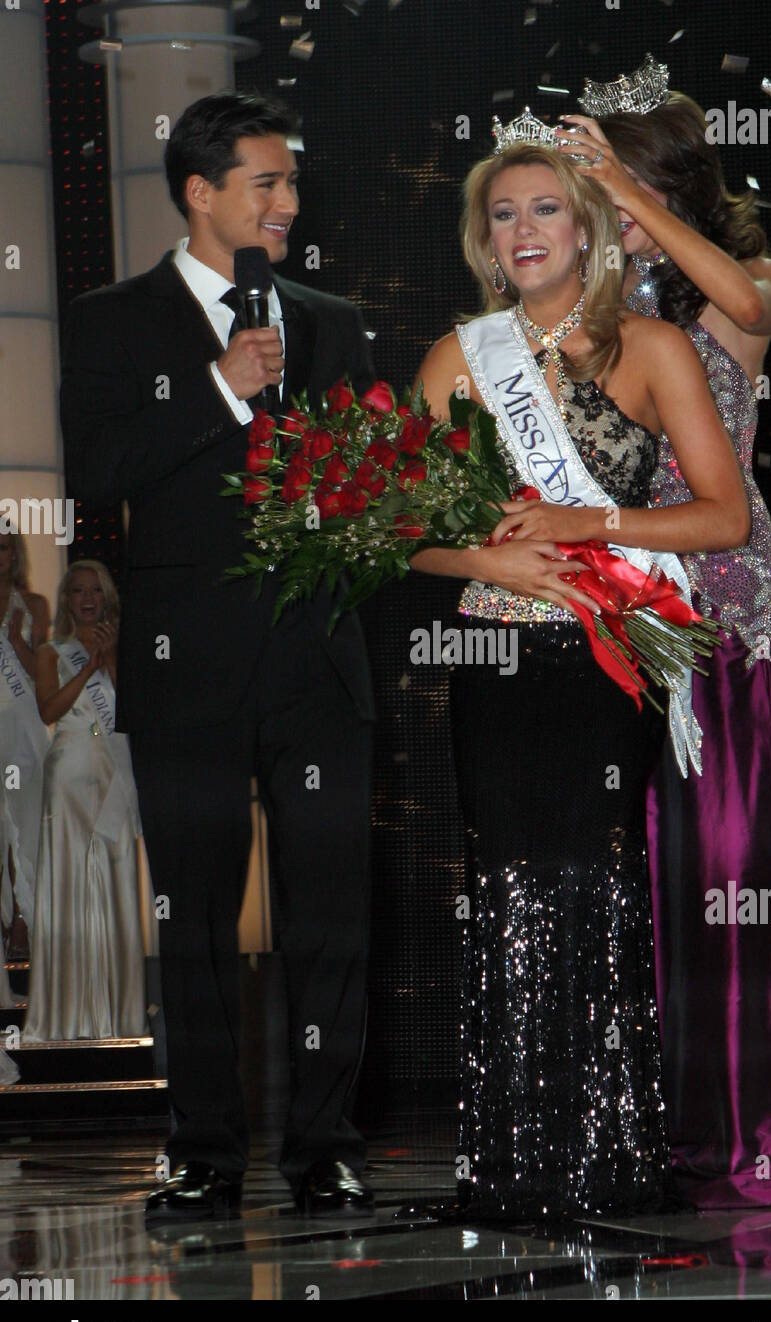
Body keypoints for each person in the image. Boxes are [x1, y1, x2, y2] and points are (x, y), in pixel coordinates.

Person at [544, 57, 771, 1204]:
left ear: (667, 188)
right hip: (623, 619)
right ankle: (647, 1123)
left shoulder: (742, 283)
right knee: (642, 875)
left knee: (739, 871)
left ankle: (766, 1122)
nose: (599, 203)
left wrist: (632, 210)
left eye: (620, 183)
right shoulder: (590, 312)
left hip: (728, 616)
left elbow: (745, 309)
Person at [410, 113, 750, 1218]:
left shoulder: (650, 350)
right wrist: (502, 554)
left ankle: (603, 1149)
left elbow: (721, 518)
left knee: (593, 889)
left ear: (590, 224)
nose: (521, 227)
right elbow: (403, 532)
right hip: (495, 645)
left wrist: (585, 520)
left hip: (609, 651)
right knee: (505, 890)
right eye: (501, 212)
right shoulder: (460, 358)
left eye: (542, 206)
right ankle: (510, 1158)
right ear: (481, 236)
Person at [60, 93, 377, 1222]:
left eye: (291, 184)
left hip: (315, 659)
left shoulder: (332, 320)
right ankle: (200, 1145)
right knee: (189, 916)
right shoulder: (112, 320)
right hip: (181, 657)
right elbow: (95, 474)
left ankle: (325, 1146)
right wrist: (216, 391)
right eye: (266, 185)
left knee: (329, 911)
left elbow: (363, 480)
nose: (289, 204)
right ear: (200, 194)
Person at [24, 561, 147, 1042]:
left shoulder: (126, 649)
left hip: (112, 776)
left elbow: (133, 710)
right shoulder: (51, 652)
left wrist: (111, 658)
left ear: (107, 596)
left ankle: (119, 1010)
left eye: (96, 589)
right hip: (69, 779)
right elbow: (49, 710)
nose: (87, 597)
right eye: (77, 591)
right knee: (69, 885)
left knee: (116, 884)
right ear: (68, 600)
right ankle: (67, 1012)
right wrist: (89, 668)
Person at [0, 533, 50, 985]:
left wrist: (17, 643)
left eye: (2, 546)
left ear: (14, 553)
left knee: (25, 828)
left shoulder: (34, 605)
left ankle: (23, 920)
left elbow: (44, 677)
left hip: (24, 731)